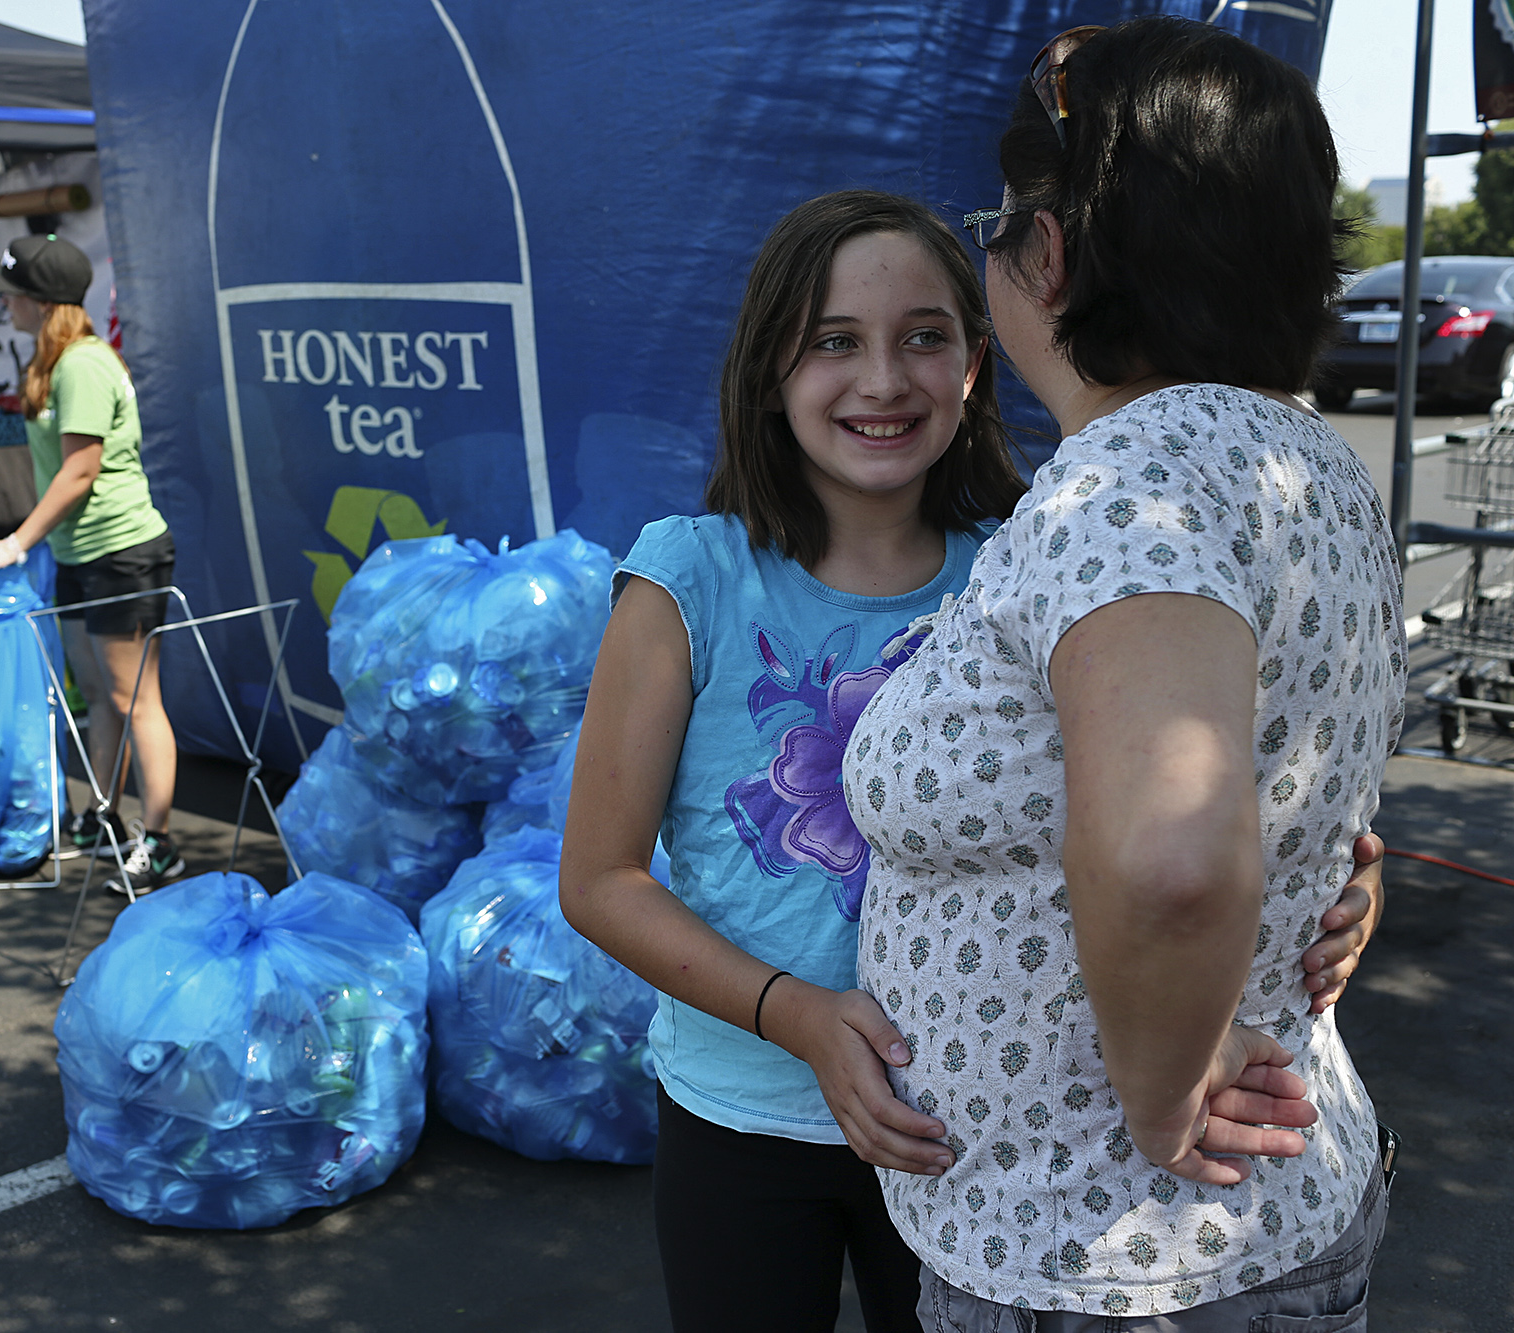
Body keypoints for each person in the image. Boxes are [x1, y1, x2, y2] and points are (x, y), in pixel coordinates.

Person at [556, 190, 1385, 1332]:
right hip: (742, 1112)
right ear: (764, 369)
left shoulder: (1037, 562)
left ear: (977, 365)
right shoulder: (683, 579)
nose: (883, 379)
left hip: (983, 1140)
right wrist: (794, 1013)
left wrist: (1344, 879)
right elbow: (599, 881)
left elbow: (1197, 791)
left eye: (924, 337)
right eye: (833, 342)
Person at [842, 18, 1400, 1328]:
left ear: (1050, 250)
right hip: (1225, 1236)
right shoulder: (1301, 462)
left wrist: (1165, 1090)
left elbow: (1174, 853)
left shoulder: (1132, 480)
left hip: (1112, 1257)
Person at [0, 235, 183, 885]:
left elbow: (81, 470)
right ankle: (107, 815)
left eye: (10, 292)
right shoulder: (58, 362)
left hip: (122, 550)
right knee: (104, 697)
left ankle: (162, 837)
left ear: (37, 299)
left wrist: (14, 543)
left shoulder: (83, 364)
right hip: (82, 552)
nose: (3, 303)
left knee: (135, 696)